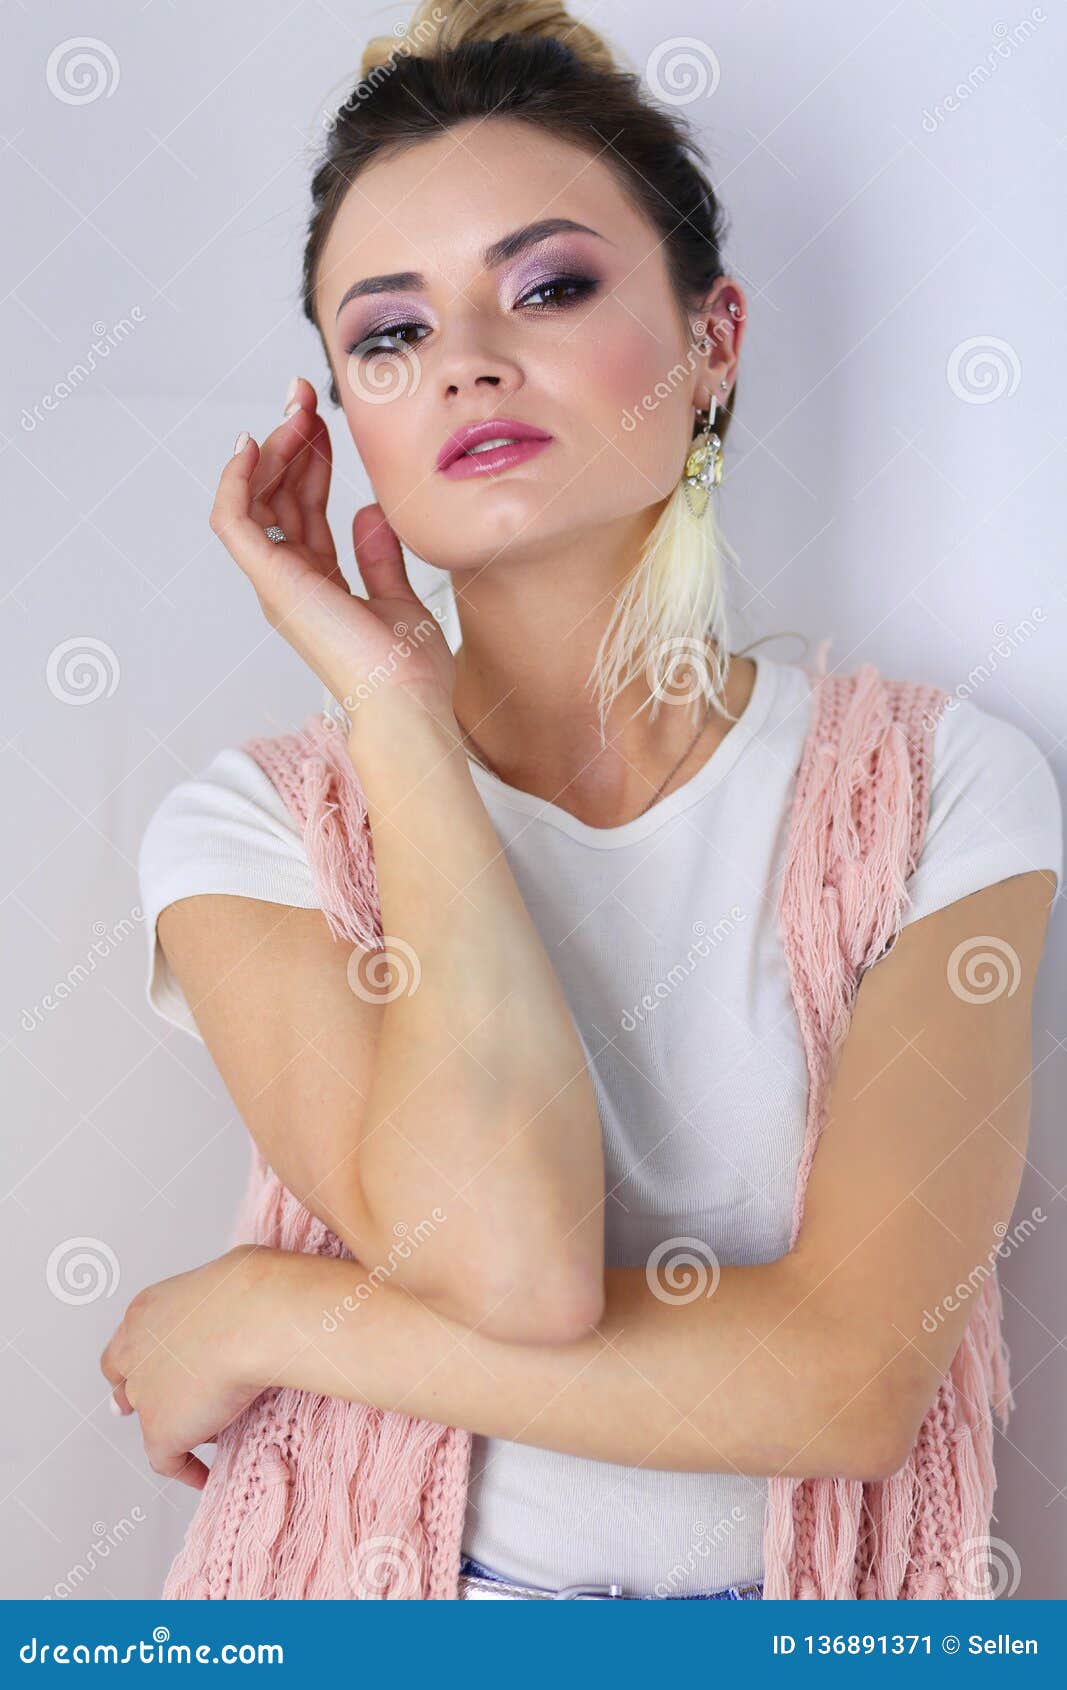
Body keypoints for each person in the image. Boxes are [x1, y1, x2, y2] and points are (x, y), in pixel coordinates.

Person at [101, 0, 1061, 1600]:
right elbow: (508, 1265)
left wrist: (269, 1312)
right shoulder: (255, 832)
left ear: (713, 342)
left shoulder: (941, 786)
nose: (467, 360)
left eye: (550, 287)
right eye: (390, 336)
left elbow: (850, 1383)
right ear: (349, 419)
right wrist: (397, 714)